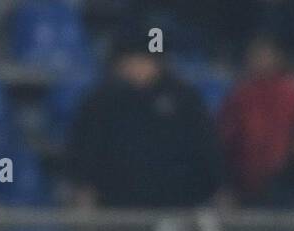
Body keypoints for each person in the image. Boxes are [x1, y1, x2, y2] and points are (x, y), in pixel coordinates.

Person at [67, 34, 222, 208]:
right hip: (116, 205)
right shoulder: (100, 101)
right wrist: (84, 190)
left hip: (177, 203)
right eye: (132, 60)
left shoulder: (184, 98)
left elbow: (205, 146)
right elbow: (86, 150)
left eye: (144, 60)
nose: (137, 67)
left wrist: (219, 187)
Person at [218, 35, 294, 203]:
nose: (260, 60)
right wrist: (226, 187)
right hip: (247, 186)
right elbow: (226, 142)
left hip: (291, 185)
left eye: (266, 55)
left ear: (278, 57)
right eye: (256, 55)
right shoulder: (240, 95)